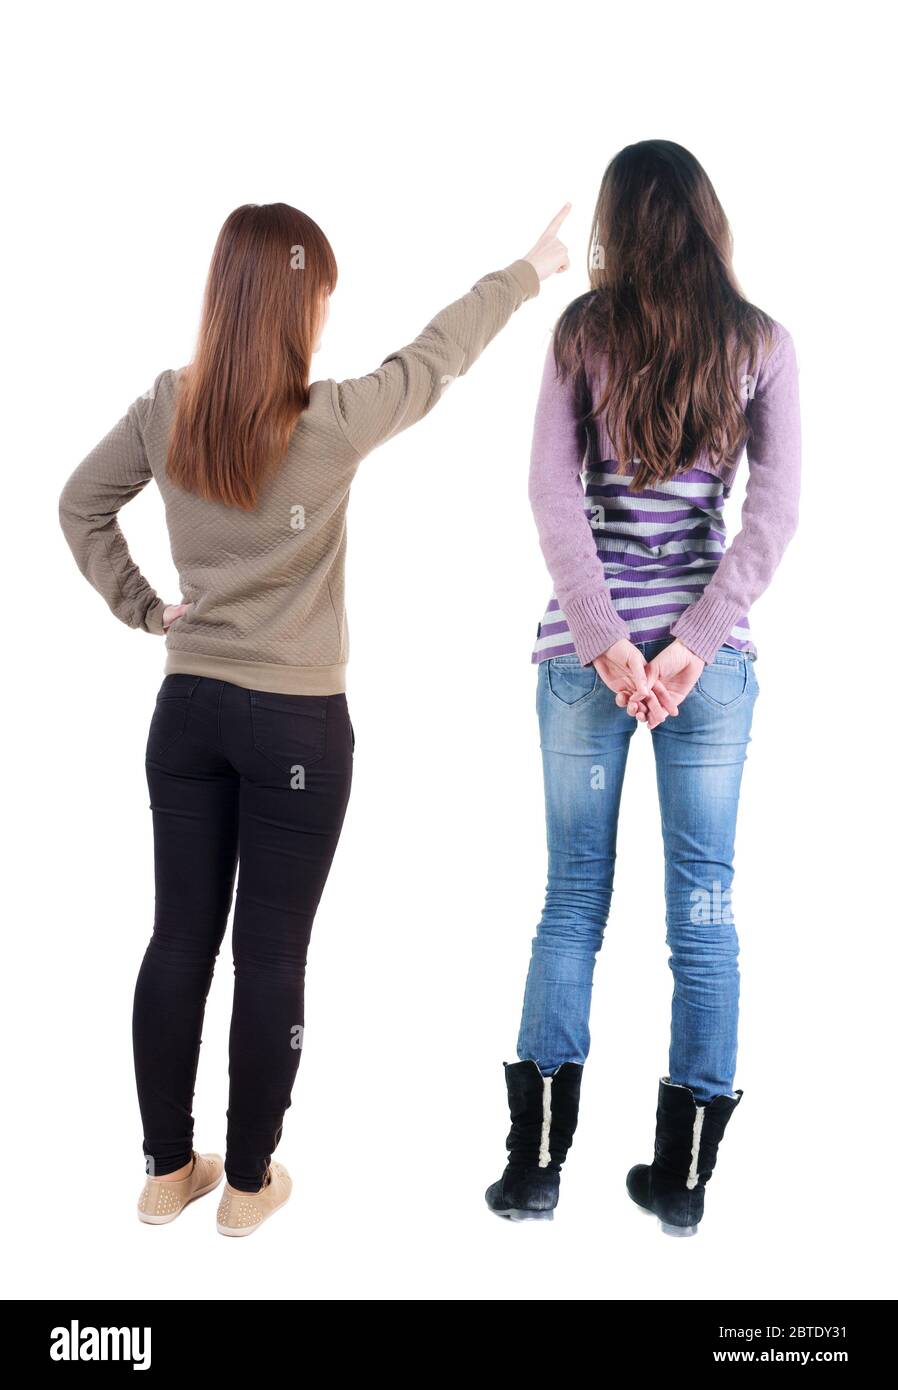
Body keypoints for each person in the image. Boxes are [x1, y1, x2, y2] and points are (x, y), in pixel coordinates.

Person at [59, 200, 570, 1236]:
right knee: (273, 954)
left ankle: (167, 1171)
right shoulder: (332, 420)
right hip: (295, 726)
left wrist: (147, 609)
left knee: (178, 940)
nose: (330, 313)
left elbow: (80, 503)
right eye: (323, 295)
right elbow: (437, 356)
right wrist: (527, 270)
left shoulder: (168, 406)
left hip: (187, 712)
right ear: (299, 303)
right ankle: (246, 1183)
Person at [485, 141, 801, 1235]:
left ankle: (533, 1169)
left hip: (584, 663)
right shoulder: (759, 343)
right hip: (705, 674)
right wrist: (692, 642)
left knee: (571, 898)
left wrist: (607, 641)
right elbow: (772, 516)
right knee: (703, 908)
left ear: (621, 221)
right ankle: (685, 1181)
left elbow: (549, 492)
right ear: (707, 220)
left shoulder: (584, 333)